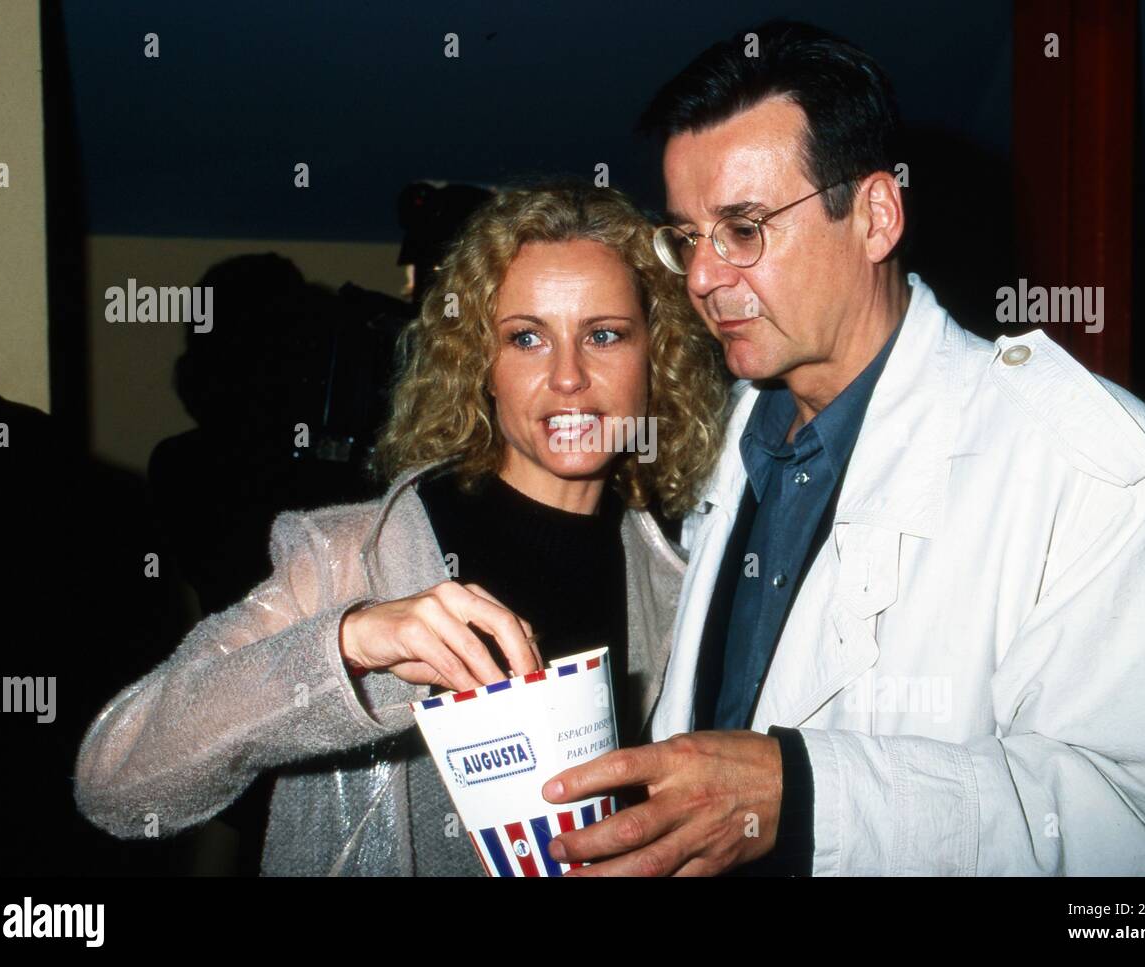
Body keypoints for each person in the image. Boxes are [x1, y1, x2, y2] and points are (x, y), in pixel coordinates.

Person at [540, 20, 1145, 876]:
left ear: (875, 215)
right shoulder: (719, 439)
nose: (699, 278)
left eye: (745, 229)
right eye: (686, 236)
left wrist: (803, 797)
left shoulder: (1089, 460)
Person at [73, 182, 727, 875]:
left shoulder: (685, 586)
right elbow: (113, 779)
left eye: (603, 334)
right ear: (482, 366)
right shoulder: (354, 557)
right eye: (527, 337)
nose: (568, 376)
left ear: (655, 358)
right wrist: (350, 643)